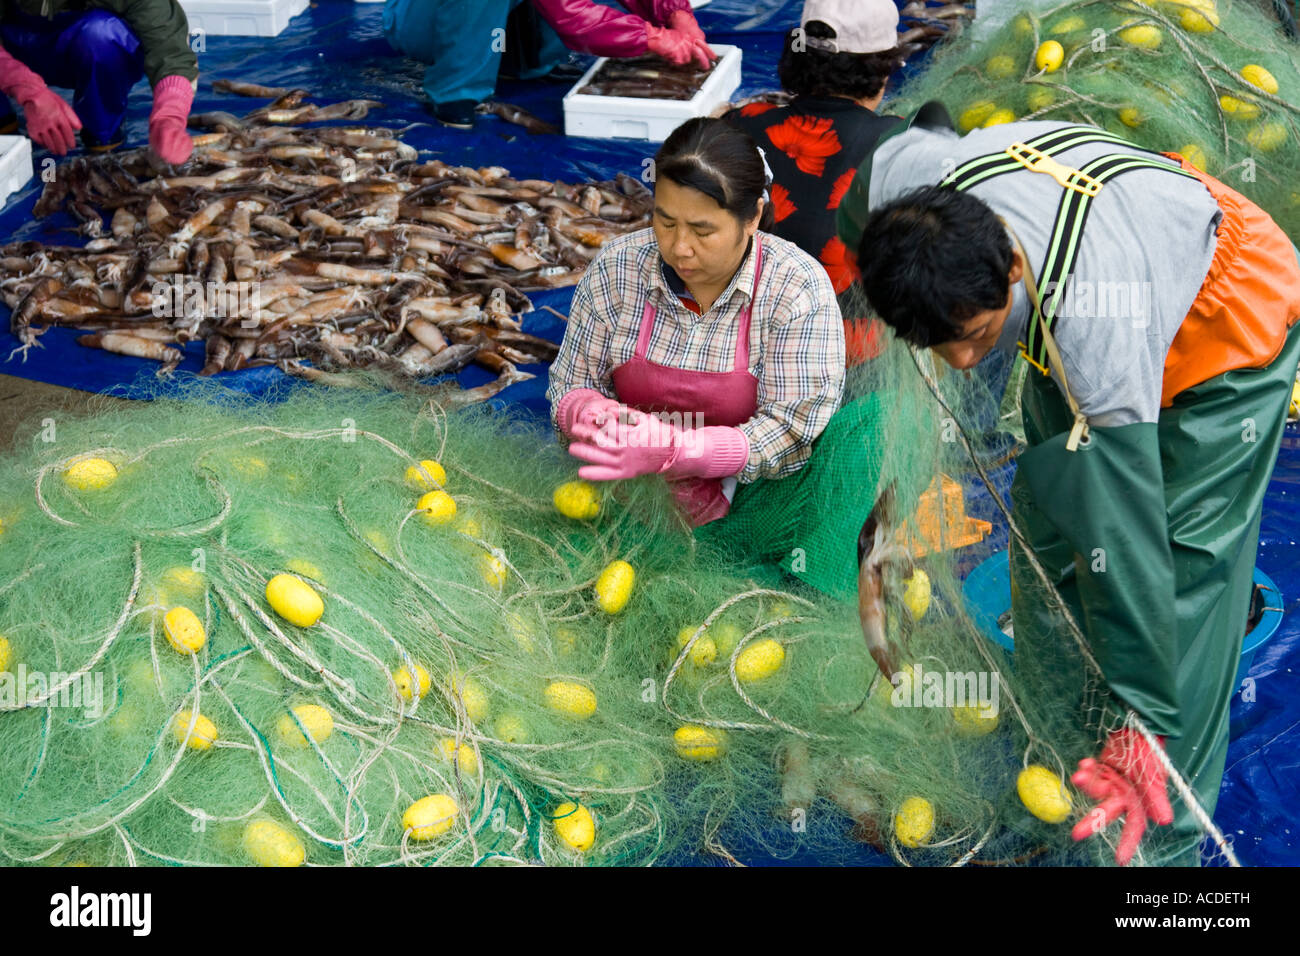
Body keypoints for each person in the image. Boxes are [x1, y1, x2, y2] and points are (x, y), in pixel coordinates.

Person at [841, 103, 1300, 865]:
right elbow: (918, 132)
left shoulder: (1096, 329)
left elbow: (1129, 540)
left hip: (1221, 317)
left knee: (1182, 583)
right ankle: (1059, 778)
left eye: (978, 337)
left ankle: (1159, 842)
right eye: (937, 343)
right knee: (1049, 537)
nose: (961, 363)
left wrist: (1147, 713)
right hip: (1094, 275)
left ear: (1014, 269)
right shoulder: (905, 192)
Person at [725, 0, 903, 366]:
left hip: (736, 348)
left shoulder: (737, 125)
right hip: (847, 357)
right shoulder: (903, 143)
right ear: (884, 69)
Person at [384, 0, 714, 129]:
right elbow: (568, 11)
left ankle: (524, 64)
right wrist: (653, 38)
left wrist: (674, 13)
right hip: (424, 21)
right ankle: (456, 89)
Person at [0, 0, 196, 161]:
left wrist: (170, 114)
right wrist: (26, 88)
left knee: (102, 34)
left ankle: (102, 139)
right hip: (12, 47)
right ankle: (4, 128)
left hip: (84, 47)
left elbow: (171, 51)